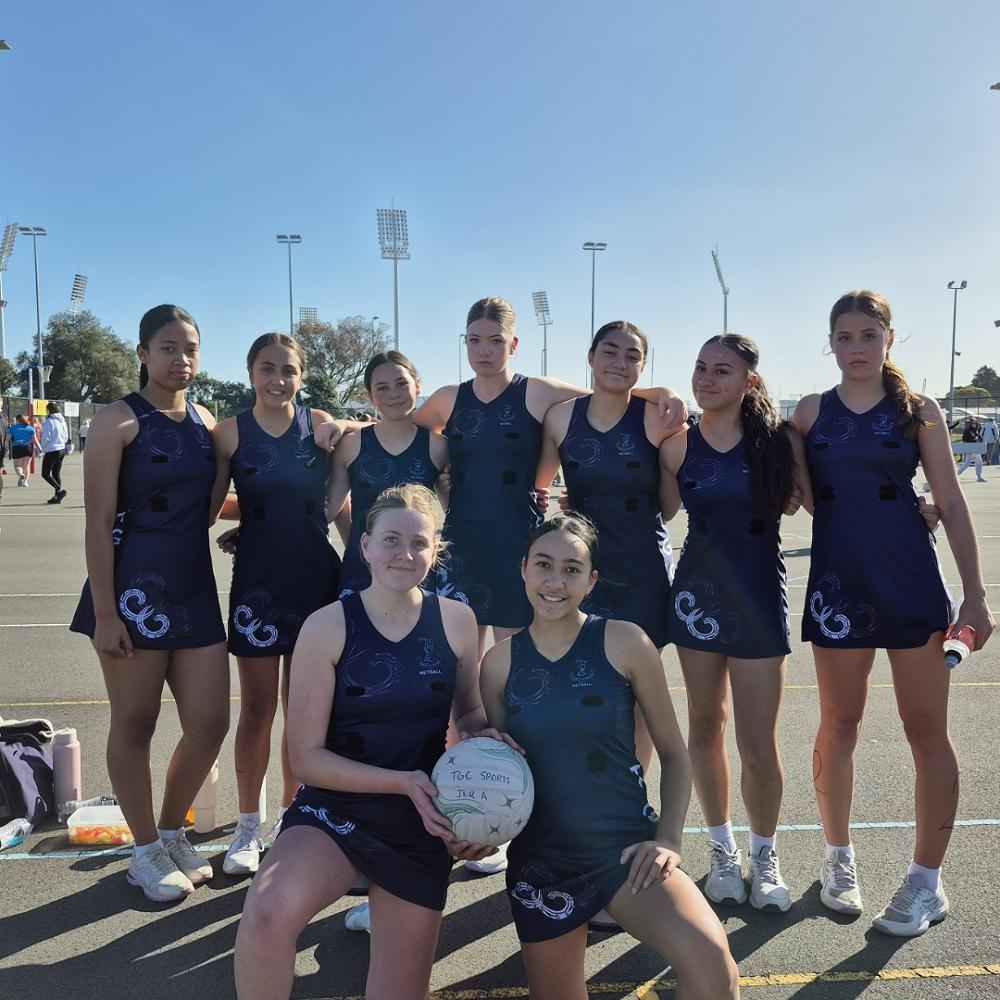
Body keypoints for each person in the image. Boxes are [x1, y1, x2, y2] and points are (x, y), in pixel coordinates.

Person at [317, 297, 686, 878]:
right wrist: (337, 424)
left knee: (523, 690)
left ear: (513, 345)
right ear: (465, 344)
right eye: (474, 340)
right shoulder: (447, 399)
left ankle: (510, 813)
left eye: (495, 340)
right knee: (451, 688)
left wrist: (656, 393)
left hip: (520, 553)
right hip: (461, 553)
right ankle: (450, 809)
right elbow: (392, 427)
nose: (484, 350)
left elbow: (605, 390)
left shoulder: (537, 392)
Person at [234, 484, 496, 1000]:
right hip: (337, 807)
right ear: (366, 546)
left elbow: (468, 711)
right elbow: (306, 759)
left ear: (436, 549)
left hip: (420, 818)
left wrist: (487, 777)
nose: (405, 554)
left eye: (419, 543)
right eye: (391, 540)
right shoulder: (327, 626)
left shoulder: (458, 622)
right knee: (266, 914)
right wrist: (400, 782)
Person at [793, 290, 994, 936]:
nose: (855, 347)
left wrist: (976, 594)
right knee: (839, 726)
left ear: (889, 340)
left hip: (910, 586)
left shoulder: (918, 410)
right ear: (830, 343)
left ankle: (924, 883)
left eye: (867, 335)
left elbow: (952, 504)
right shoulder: (809, 413)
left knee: (926, 730)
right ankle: (838, 859)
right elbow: (792, 495)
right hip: (837, 589)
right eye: (844, 336)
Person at [479, 513, 740, 1000]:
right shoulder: (498, 665)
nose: (555, 581)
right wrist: (475, 830)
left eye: (572, 569)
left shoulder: (625, 642)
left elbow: (674, 753)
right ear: (523, 569)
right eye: (544, 564)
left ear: (592, 579)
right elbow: (499, 774)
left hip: (624, 848)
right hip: (543, 860)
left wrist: (668, 839)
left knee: (712, 965)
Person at [69, 304, 229, 903]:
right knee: (135, 723)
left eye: (190, 348)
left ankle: (170, 829)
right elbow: (96, 521)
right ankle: (143, 851)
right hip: (132, 588)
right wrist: (107, 614)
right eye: (168, 348)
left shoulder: (205, 419)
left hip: (193, 584)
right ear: (142, 353)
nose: (181, 360)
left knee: (211, 722)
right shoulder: (117, 420)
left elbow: (207, 503)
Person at [659, 334, 809, 913]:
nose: (707, 378)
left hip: (758, 599)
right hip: (697, 598)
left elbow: (825, 499)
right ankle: (722, 853)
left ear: (748, 381)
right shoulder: (676, 447)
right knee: (704, 726)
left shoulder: (778, 442)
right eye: (700, 368)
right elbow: (651, 509)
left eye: (722, 370)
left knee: (757, 740)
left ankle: (764, 855)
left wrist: (919, 507)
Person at [210, 333, 341, 878]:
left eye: (288, 370)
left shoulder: (322, 424)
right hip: (259, 587)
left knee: (303, 712)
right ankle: (247, 826)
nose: (278, 379)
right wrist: (254, 520)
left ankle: (295, 815)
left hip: (316, 582)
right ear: (250, 372)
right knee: (258, 710)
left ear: (301, 375)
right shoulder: (229, 434)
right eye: (268, 368)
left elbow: (338, 497)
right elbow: (213, 504)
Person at [537, 321, 679, 777]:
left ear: (643, 364)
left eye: (632, 356)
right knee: (582, 685)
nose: (620, 362)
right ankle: (582, 789)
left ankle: (630, 795)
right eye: (610, 352)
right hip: (583, 570)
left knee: (638, 693)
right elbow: (537, 486)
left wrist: (662, 392)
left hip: (642, 569)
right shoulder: (561, 417)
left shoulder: (658, 416)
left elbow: (672, 505)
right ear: (591, 356)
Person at [327, 350, 449, 596]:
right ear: (369, 395)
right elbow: (327, 510)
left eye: (401, 384)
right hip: (362, 570)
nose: (393, 394)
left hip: (415, 569)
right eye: (382, 387)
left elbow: (452, 511)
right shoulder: (350, 445)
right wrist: (255, 526)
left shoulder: (438, 446)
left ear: (417, 385)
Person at [40, 401, 70, 504]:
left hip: (52, 450)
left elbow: (46, 437)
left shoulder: (49, 421)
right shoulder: (62, 421)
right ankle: (57, 496)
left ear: (49, 410)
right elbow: (66, 436)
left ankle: (60, 491)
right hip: (61, 449)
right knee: (56, 473)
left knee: (45, 473)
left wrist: (42, 448)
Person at [9, 414, 39, 486]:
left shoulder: (12, 428)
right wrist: (40, 449)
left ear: (17, 420)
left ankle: (21, 475)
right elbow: (34, 440)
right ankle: (25, 482)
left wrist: (7, 448)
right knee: (26, 466)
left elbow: (8, 439)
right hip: (27, 447)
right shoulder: (30, 428)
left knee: (17, 466)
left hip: (17, 447)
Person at [955, 417, 986, 482]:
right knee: (967, 463)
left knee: (979, 462)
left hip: (976, 448)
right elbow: (965, 439)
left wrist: (982, 441)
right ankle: (955, 475)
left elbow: (980, 437)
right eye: (972, 423)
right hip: (970, 448)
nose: (974, 424)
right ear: (970, 424)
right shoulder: (967, 431)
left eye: (975, 423)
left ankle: (979, 477)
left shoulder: (976, 430)